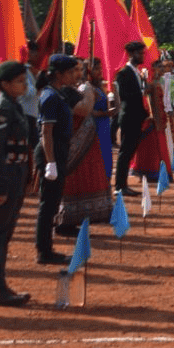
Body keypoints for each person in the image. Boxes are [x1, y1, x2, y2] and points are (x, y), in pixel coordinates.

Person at [0, 61, 36, 306]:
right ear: (5, 84)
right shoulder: (1, 109)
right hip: (3, 174)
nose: (25, 84)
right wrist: (0, 186)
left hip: (15, 172)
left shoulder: (14, 106)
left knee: (4, 232)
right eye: (20, 81)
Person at [33, 55, 83, 265]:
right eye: (71, 72)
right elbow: (46, 132)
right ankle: (44, 251)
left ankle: (46, 248)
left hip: (58, 150)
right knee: (48, 205)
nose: (75, 75)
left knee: (52, 204)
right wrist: (50, 162)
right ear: (59, 74)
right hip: (50, 152)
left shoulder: (58, 94)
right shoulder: (50, 97)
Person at [56, 58, 114, 233]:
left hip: (88, 141)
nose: (78, 74)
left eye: (79, 70)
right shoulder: (63, 91)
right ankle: (65, 221)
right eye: (74, 70)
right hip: (71, 145)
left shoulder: (77, 89)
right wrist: (89, 93)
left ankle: (81, 217)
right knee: (71, 182)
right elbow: (83, 109)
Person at [112, 42, 149, 195]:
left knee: (129, 152)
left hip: (137, 117)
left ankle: (123, 185)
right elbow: (124, 95)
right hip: (129, 117)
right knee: (125, 152)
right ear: (131, 54)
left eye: (142, 53)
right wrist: (143, 90)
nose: (142, 56)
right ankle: (120, 186)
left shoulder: (137, 72)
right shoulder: (123, 73)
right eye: (140, 53)